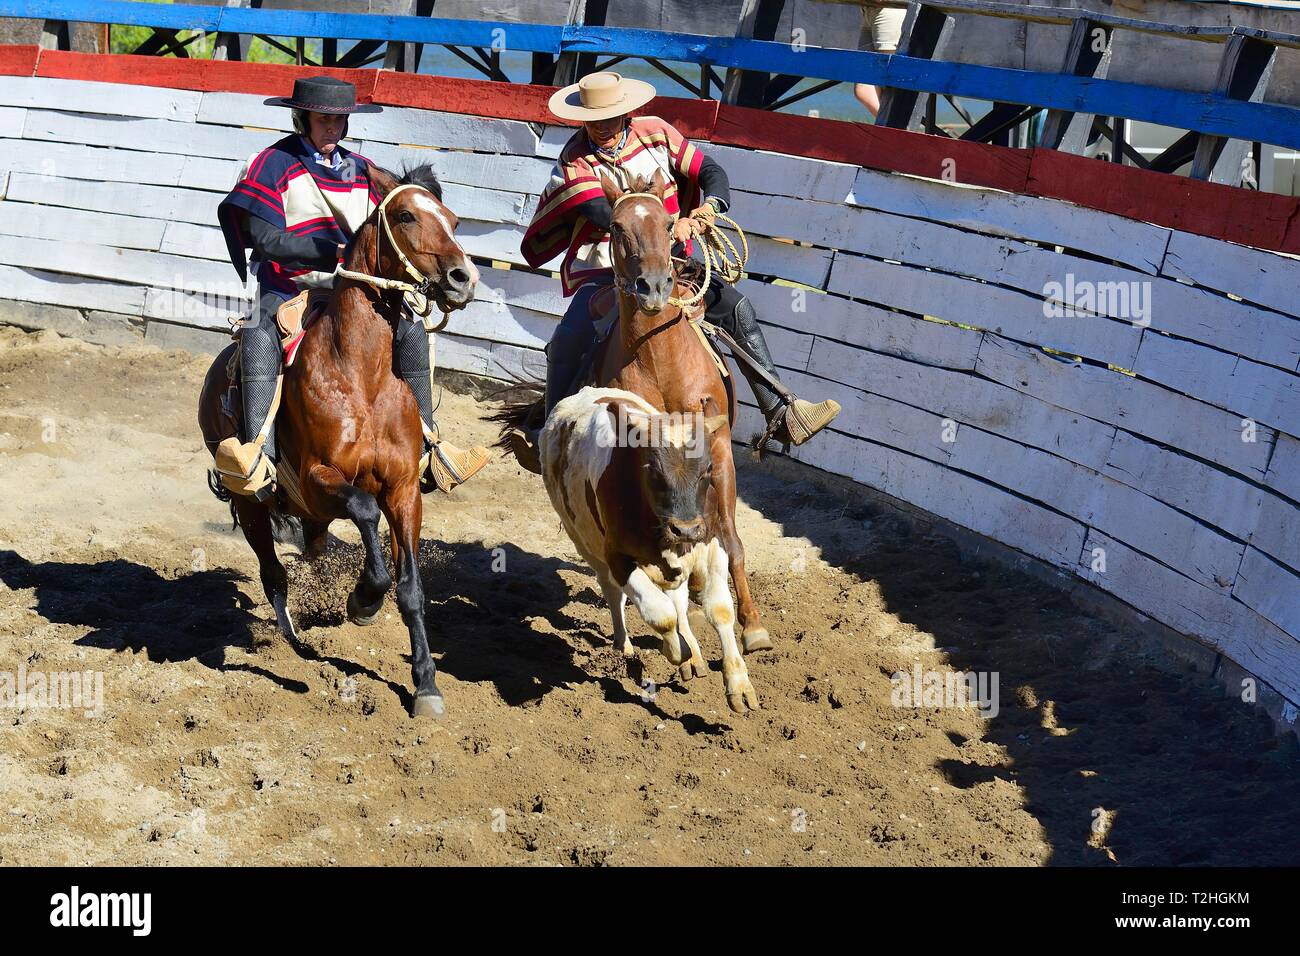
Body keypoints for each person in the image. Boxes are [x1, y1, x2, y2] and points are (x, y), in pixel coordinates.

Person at [522, 71, 840, 447]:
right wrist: (673, 228)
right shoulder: (575, 159)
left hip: (673, 261)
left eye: (607, 118)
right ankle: (551, 431)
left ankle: (780, 411)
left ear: (624, 113)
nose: (600, 127)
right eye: (593, 120)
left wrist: (706, 210)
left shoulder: (655, 131)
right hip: (608, 267)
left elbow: (710, 171)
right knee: (569, 337)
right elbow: (604, 215)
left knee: (738, 310)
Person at [216, 76, 488, 496]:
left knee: (412, 329)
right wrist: (334, 253)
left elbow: (403, 220)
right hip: (288, 288)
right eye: (324, 120)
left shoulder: (363, 170)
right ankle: (259, 457)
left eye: (340, 121)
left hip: (356, 289)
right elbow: (265, 239)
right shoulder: (271, 163)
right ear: (301, 118)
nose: (333, 129)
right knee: (256, 334)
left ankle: (429, 448)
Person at [853, 4, 906, 117]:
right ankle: (892, 129)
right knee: (863, 89)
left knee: (891, 84)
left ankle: (896, 130)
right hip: (868, 11)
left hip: (888, 10)